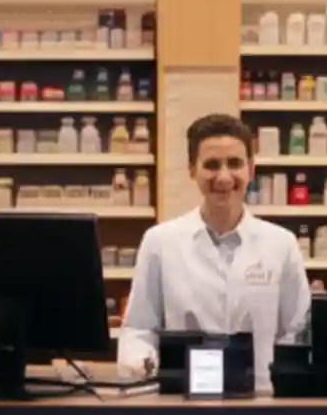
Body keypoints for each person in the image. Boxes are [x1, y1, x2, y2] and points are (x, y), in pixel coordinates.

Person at [118, 113, 312, 390]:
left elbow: (298, 333)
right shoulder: (160, 242)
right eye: (211, 165)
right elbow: (139, 328)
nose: (223, 177)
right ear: (192, 170)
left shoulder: (282, 244)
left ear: (251, 169)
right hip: (181, 408)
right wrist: (145, 370)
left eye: (234, 164)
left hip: (263, 407)